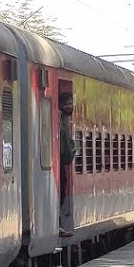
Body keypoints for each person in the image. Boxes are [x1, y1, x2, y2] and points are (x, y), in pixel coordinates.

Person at [58, 92, 76, 238]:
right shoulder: (61, 121)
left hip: (60, 164)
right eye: (66, 104)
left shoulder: (66, 121)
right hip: (57, 163)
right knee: (61, 192)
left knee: (62, 192)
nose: (68, 106)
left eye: (70, 103)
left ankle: (59, 223)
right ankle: (58, 224)